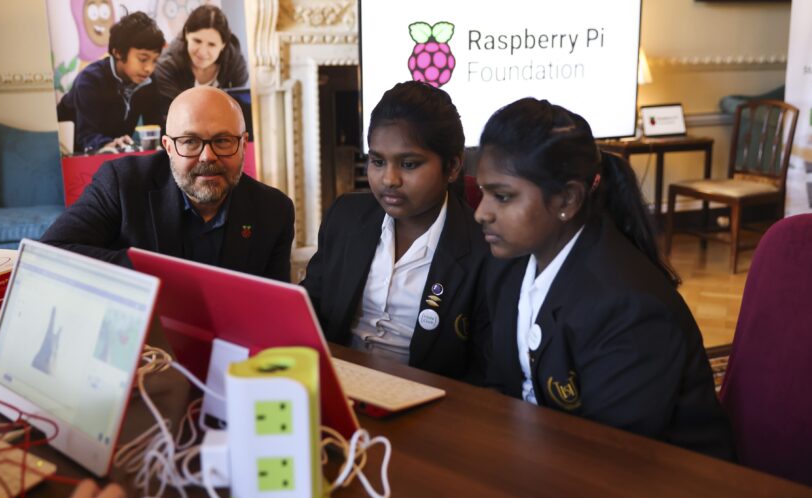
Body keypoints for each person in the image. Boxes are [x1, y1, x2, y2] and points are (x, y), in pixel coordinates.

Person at [474, 98, 735, 459]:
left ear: (567, 198)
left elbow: (612, 456)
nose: (481, 213)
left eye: (502, 197)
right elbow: (503, 386)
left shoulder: (627, 306)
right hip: (548, 463)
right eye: (483, 192)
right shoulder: (508, 264)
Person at [302, 81, 490, 381]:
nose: (389, 179)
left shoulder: (484, 249)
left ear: (453, 166)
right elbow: (308, 308)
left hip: (430, 404)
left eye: (409, 164)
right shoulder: (345, 217)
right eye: (377, 161)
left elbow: (484, 372)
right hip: (338, 383)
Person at [42, 86, 295, 282]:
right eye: (190, 141)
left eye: (223, 140)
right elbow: (50, 254)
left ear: (243, 144)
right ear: (168, 147)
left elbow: (274, 309)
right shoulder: (121, 184)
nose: (208, 156)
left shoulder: (274, 211)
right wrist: (157, 272)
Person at [57, 11, 165, 153]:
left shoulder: (149, 81)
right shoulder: (90, 80)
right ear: (118, 52)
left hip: (113, 154)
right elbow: (86, 136)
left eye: (155, 60)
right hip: (72, 154)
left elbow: (156, 127)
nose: (149, 68)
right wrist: (109, 144)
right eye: (143, 59)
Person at [153, 4, 249, 112]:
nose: (202, 51)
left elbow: (238, 111)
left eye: (211, 44)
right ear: (186, 34)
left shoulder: (235, 63)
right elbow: (173, 115)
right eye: (197, 41)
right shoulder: (167, 66)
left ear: (223, 45)